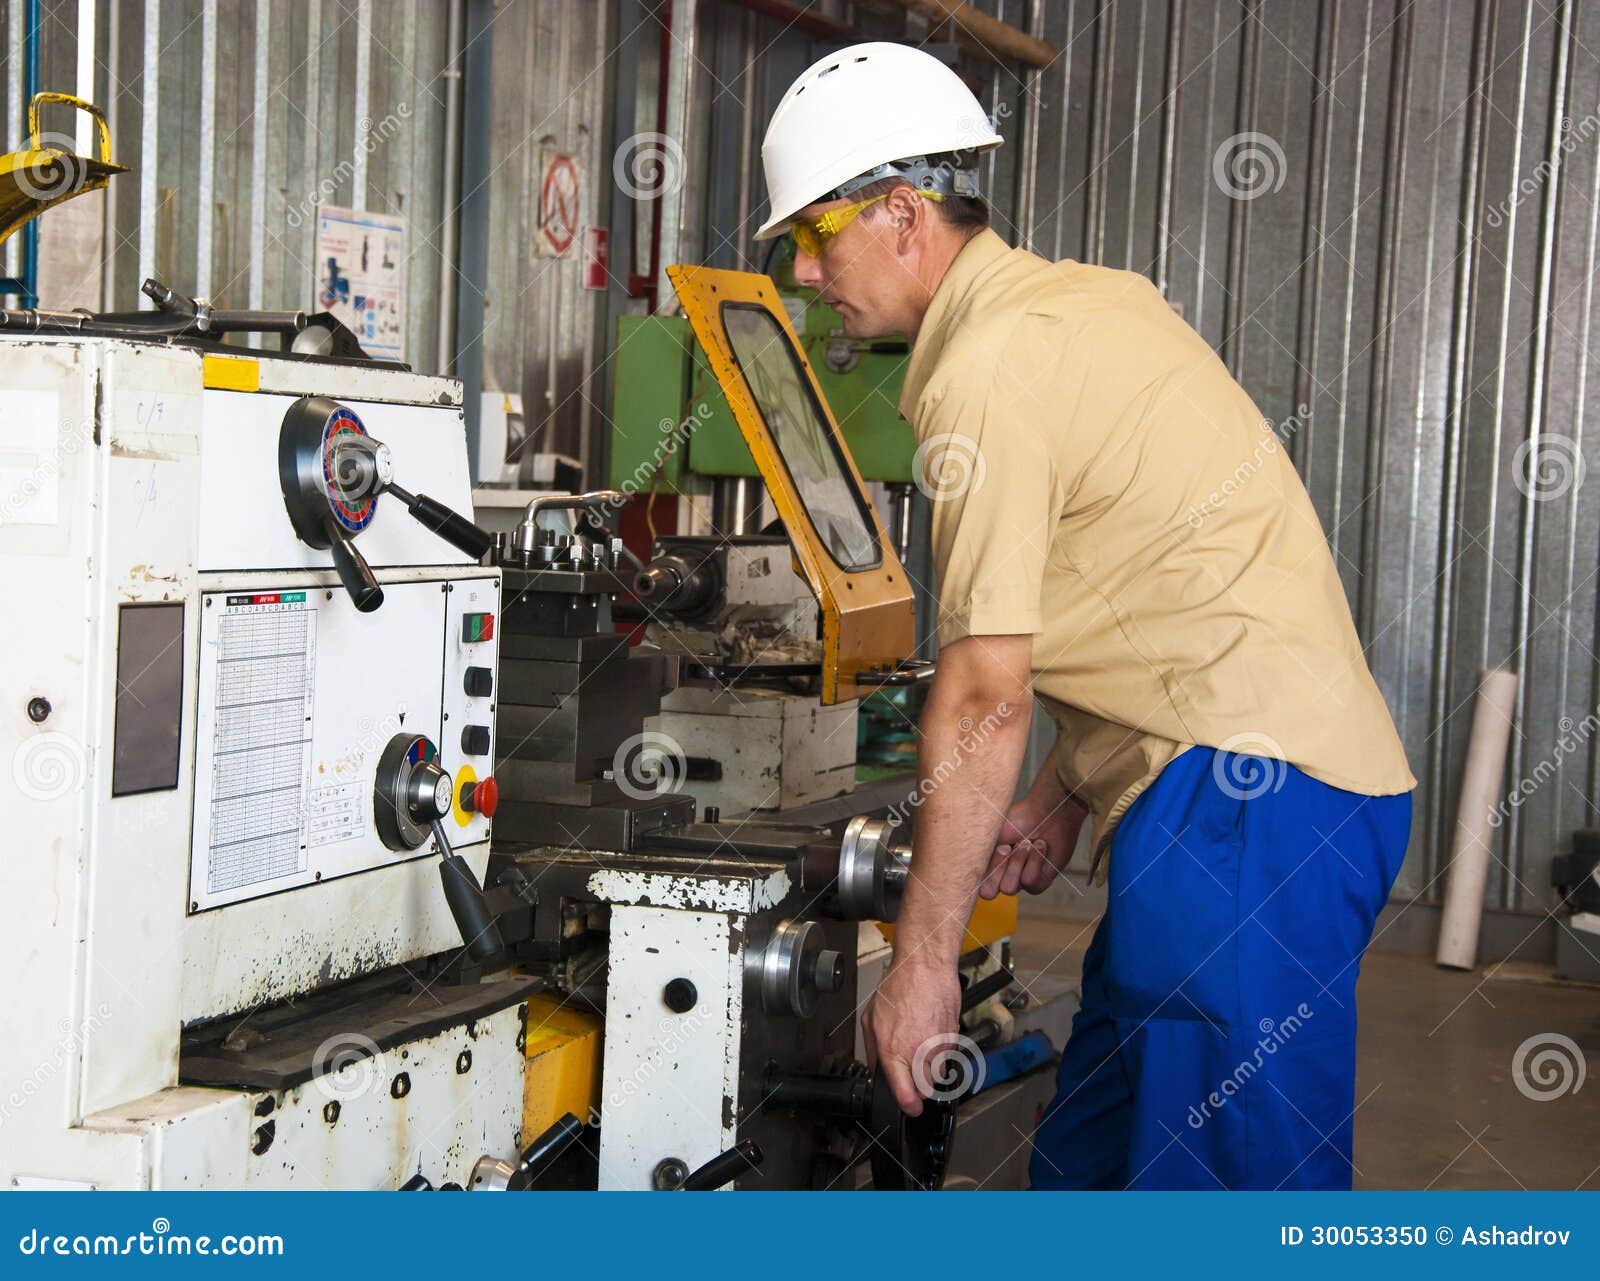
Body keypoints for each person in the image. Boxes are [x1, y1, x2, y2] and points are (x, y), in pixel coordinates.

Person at [753, 42, 1415, 1191]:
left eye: (815, 233)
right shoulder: (1093, 301)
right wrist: (1064, 792)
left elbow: (982, 694)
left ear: (902, 211)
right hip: (1231, 798)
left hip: (1244, 812)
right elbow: (1154, 576)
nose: (806, 274)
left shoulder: (988, 368)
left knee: (1228, 1207)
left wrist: (923, 966)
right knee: (1091, 1170)